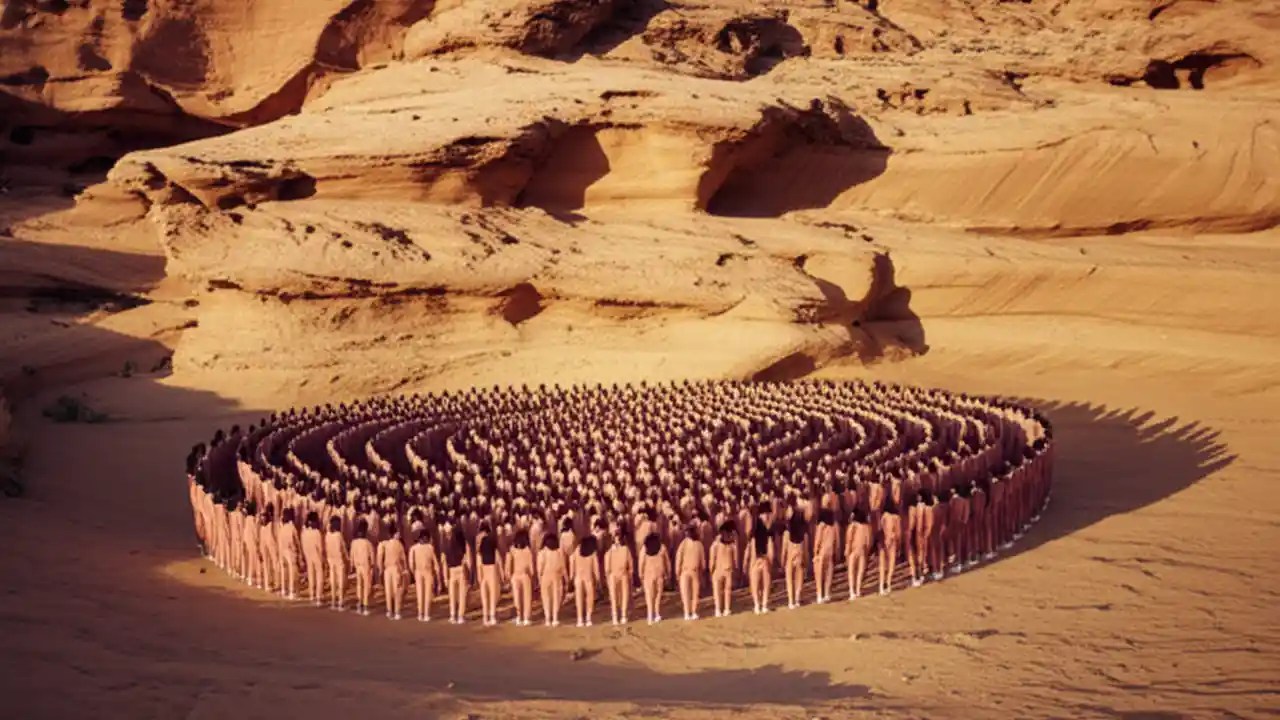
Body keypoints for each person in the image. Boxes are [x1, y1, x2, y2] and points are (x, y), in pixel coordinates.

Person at [377, 523, 409, 619]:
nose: (399, 535)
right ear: (394, 534)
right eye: (398, 533)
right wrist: (405, 570)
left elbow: (380, 558)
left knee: (388, 590)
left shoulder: (384, 544)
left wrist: (381, 570)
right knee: (397, 590)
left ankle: (389, 610)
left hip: (387, 569)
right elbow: (403, 559)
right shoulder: (399, 544)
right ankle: (397, 611)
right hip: (396, 569)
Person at [603, 525, 634, 625]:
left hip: (621, 574)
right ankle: (616, 615)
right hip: (614, 575)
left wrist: (629, 575)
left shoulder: (624, 550)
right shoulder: (610, 552)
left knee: (622, 596)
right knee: (615, 596)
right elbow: (607, 569)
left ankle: (622, 615)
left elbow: (630, 565)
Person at [675, 525, 706, 621]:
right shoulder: (697, 544)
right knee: (692, 593)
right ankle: (691, 612)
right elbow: (703, 561)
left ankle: (689, 612)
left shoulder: (685, 544)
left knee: (689, 593)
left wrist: (677, 571)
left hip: (687, 571)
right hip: (690, 571)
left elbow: (678, 559)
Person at [638, 532, 670, 625]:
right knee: (658, 595)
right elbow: (667, 562)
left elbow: (641, 563)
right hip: (660, 574)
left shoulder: (644, 549)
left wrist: (640, 574)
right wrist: (668, 573)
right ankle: (657, 613)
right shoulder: (662, 548)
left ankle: (650, 615)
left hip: (648, 575)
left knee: (649, 596)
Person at [506, 529, 536, 626]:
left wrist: (509, 575)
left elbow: (508, 565)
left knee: (517, 597)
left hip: (515, 575)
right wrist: (532, 576)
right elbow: (531, 568)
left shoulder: (512, 550)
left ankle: (519, 616)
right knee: (527, 597)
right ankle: (526, 618)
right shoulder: (528, 550)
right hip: (525, 575)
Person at [408, 530, 440, 621]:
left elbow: (411, 563)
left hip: (420, 571)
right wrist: (437, 574)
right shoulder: (429, 547)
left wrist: (413, 572)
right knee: (425, 593)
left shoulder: (414, 548)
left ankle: (422, 613)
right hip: (425, 571)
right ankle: (425, 613)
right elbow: (435, 562)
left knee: (423, 593)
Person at [443, 526, 472, 625]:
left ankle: (452, 615)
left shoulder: (447, 544)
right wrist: (470, 573)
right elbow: (468, 560)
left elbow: (444, 561)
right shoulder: (464, 544)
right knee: (462, 594)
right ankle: (460, 616)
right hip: (461, 569)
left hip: (451, 570)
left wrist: (445, 576)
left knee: (452, 594)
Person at [708, 522, 738, 617]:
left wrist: (711, 570)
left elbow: (712, 559)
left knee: (721, 590)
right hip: (725, 569)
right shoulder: (731, 545)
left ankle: (721, 609)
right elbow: (735, 560)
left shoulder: (716, 545)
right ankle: (725, 609)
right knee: (725, 590)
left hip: (721, 570)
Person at [537, 533, 567, 627]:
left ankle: (547, 619)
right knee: (556, 598)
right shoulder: (559, 552)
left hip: (545, 576)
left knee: (546, 598)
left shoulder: (542, 553)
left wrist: (539, 579)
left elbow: (540, 568)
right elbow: (563, 567)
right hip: (557, 577)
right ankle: (555, 618)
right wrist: (566, 579)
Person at [745, 519, 774, 614]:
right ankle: (765, 605)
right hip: (765, 560)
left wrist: (747, 564)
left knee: (755, 586)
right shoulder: (768, 537)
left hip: (755, 561)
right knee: (765, 585)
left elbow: (749, 552)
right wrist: (770, 563)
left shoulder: (752, 539)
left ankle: (757, 605)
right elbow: (771, 553)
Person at [572, 535, 600, 627]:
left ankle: (579, 619)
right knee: (589, 599)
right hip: (588, 578)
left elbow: (572, 563)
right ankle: (588, 618)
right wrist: (598, 579)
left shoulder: (576, 550)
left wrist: (571, 576)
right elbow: (596, 568)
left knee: (579, 599)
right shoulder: (592, 553)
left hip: (578, 577)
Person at [845, 507, 872, 600]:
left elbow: (849, 539)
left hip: (853, 550)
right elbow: (868, 541)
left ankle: (852, 591)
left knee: (851, 571)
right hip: (863, 551)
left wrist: (847, 550)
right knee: (860, 571)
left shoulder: (853, 526)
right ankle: (858, 590)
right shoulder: (866, 527)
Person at [350, 519, 376, 616]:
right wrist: (373, 565)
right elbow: (372, 556)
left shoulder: (354, 542)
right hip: (366, 566)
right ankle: (365, 605)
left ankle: (359, 603)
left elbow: (351, 555)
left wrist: (352, 565)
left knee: (359, 585)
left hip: (358, 566)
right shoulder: (368, 543)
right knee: (366, 586)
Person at [781, 513, 807, 609]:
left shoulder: (787, 534)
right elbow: (805, 550)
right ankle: (797, 599)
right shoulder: (803, 534)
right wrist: (806, 561)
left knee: (789, 580)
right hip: (799, 557)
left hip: (790, 558)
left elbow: (784, 549)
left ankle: (790, 601)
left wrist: (782, 560)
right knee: (799, 579)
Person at [477, 532, 503, 626]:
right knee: (493, 597)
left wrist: (480, 579)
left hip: (484, 575)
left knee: (485, 598)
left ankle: (485, 617)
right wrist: (502, 576)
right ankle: (492, 616)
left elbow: (478, 567)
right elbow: (499, 564)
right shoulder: (495, 552)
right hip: (492, 575)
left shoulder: (479, 555)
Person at [812, 508, 837, 604]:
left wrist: (815, 552)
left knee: (819, 574)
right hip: (830, 551)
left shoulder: (821, 526)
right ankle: (827, 594)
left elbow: (818, 540)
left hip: (821, 552)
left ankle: (819, 595)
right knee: (828, 574)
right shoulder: (833, 527)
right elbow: (835, 541)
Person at [301, 511, 326, 607]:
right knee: (319, 574)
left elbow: (303, 543)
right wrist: (323, 558)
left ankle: (312, 594)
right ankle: (319, 596)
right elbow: (320, 547)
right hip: (317, 555)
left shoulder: (304, 532)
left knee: (311, 574)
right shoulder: (317, 533)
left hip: (308, 554)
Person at [325, 516, 350, 610]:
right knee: (341, 581)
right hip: (339, 560)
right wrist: (347, 558)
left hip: (331, 559)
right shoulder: (338, 535)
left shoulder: (328, 535)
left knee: (333, 581)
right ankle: (340, 602)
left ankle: (333, 601)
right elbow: (343, 548)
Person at [277, 507, 302, 600]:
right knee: (293, 572)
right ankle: (292, 591)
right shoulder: (292, 527)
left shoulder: (282, 527)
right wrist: (299, 553)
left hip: (282, 550)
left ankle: (284, 590)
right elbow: (297, 541)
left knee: (284, 571)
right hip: (290, 551)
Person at [879, 498, 902, 596]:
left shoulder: (884, 516)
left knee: (883, 563)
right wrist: (899, 543)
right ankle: (888, 583)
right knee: (892, 562)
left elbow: (881, 528)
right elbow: (898, 532)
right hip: (893, 538)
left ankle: (881, 585)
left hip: (884, 538)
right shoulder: (897, 517)